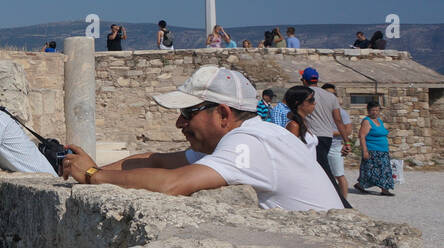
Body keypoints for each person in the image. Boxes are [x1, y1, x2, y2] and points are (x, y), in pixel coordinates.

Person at [59, 65, 341, 211]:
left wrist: (94, 176)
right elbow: (156, 161)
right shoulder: (253, 134)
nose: (180, 122)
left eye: (188, 112)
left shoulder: (248, 143)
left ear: (222, 113)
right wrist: (87, 166)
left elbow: (172, 184)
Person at [299, 67, 352, 208]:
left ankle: (342, 203)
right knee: (320, 169)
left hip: (312, 137)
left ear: (304, 80)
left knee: (323, 171)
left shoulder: (305, 94)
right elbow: (338, 121)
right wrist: (347, 142)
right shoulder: (331, 97)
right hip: (327, 137)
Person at [354, 101, 395, 196]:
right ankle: (363, 185)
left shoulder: (379, 121)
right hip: (372, 150)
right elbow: (362, 136)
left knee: (384, 170)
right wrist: (364, 151)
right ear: (368, 110)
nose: (375, 112)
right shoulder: (367, 121)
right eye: (373, 110)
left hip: (383, 150)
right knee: (370, 171)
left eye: (377, 110)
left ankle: (383, 189)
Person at [321, 83, 352, 202]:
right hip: (321, 146)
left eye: (333, 94)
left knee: (339, 174)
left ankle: (344, 201)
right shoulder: (319, 111)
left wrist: (329, 133)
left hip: (334, 147)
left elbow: (348, 130)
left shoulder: (341, 112)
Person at [282, 85, 318, 154]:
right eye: (311, 100)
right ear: (297, 103)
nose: (314, 103)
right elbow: (291, 153)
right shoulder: (294, 125)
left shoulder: (303, 122)